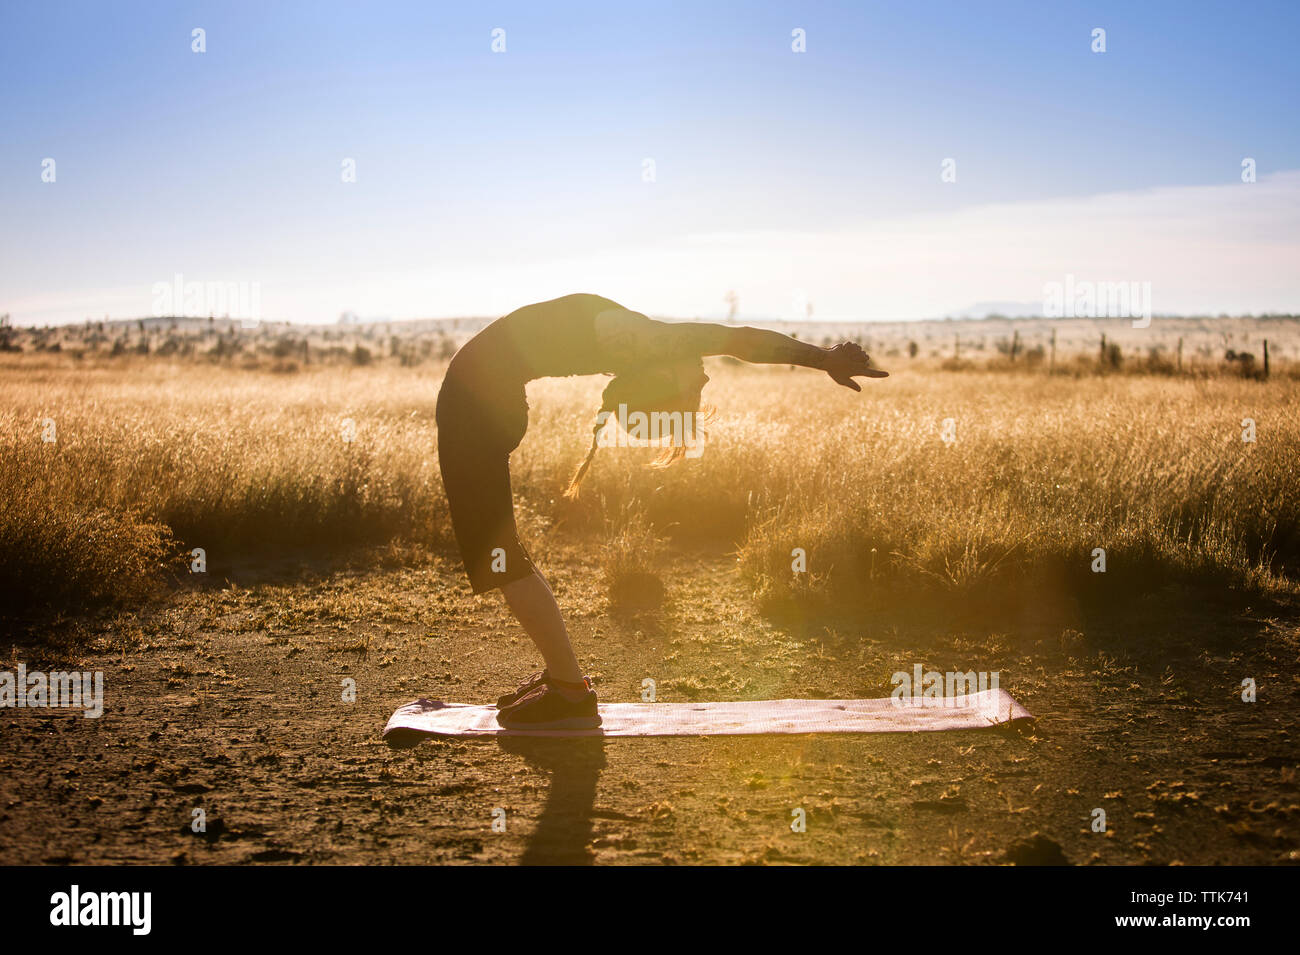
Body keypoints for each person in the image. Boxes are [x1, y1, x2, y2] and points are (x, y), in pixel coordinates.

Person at [435, 293, 886, 728]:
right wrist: (821, 357)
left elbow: (738, 340)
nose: (704, 379)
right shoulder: (643, 342)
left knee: (498, 555)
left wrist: (823, 358)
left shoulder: (642, 344)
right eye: (695, 387)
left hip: (473, 407)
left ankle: (569, 689)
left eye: (692, 389)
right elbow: (739, 340)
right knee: (499, 553)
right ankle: (562, 680)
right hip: (480, 404)